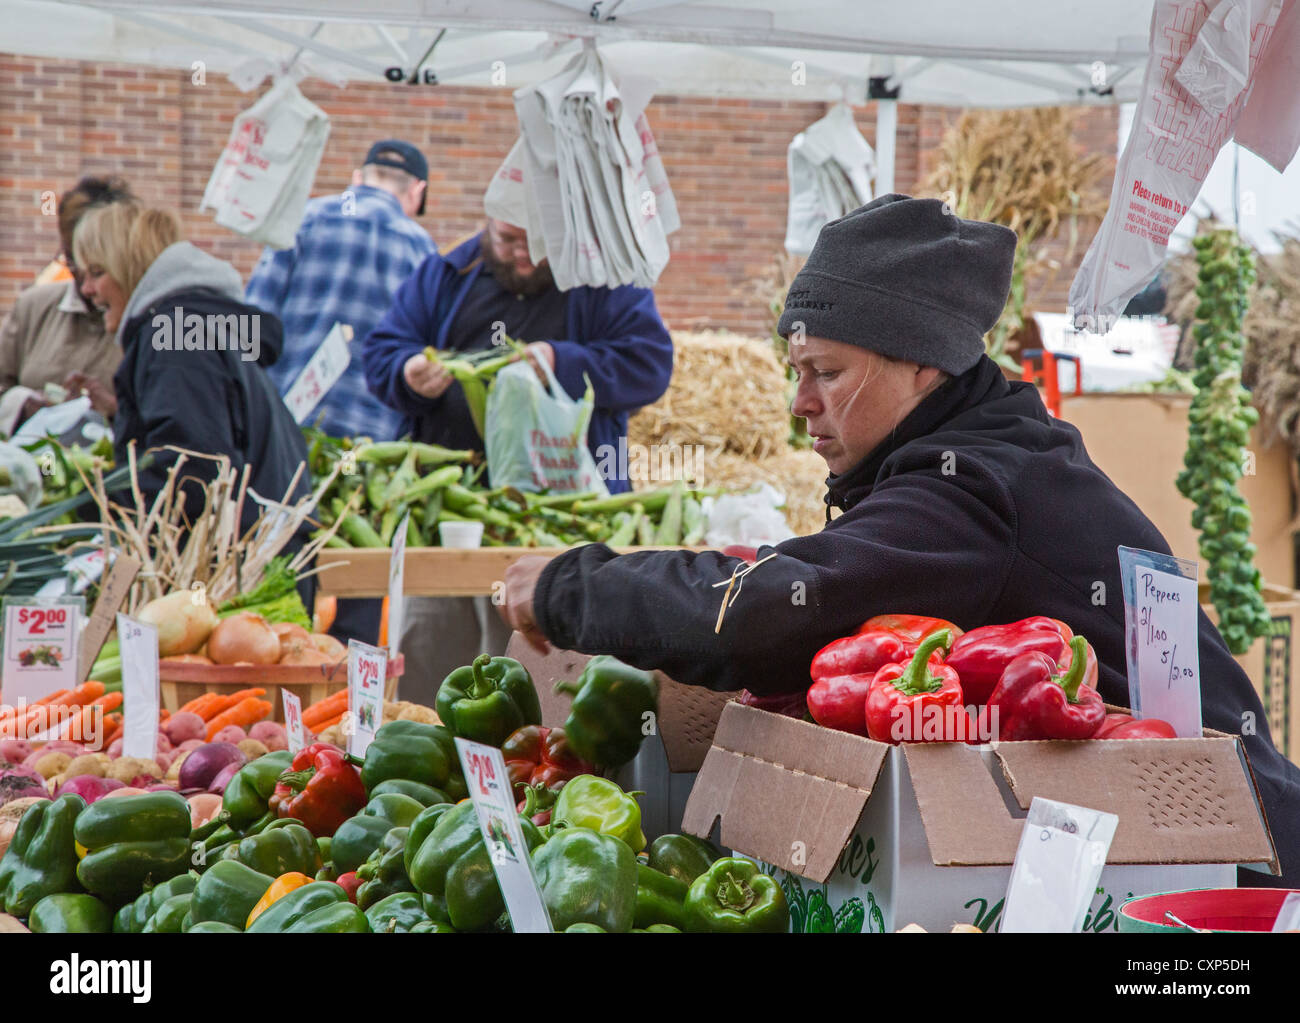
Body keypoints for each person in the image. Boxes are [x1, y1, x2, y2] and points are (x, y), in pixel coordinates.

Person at [499, 193, 1300, 888]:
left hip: (1230, 868)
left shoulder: (973, 489)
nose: (799, 403)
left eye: (826, 372)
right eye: (795, 371)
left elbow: (764, 613)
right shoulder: (987, 451)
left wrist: (570, 587)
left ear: (923, 364)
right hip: (1164, 839)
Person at [363, 213, 673, 699]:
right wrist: (407, 372)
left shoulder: (603, 278)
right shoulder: (447, 274)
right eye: (509, 240)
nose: (523, 256)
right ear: (488, 225)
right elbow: (381, 350)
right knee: (430, 663)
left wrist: (562, 362)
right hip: (445, 517)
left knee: (539, 673)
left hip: (559, 518)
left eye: (540, 242)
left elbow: (650, 365)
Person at [245, 140, 436, 645]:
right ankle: (354, 708)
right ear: (415, 192)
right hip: (370, 455)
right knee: (361, 584)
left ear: (358, 175)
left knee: (279, 586)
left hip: (288, 441)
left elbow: (252, 328)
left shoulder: (302, 221)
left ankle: (281, 690)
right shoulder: (421, 249)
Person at [72, 203, 312, 572]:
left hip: (230, 580)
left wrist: (89, 503)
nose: (86, 289)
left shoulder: (176, 337)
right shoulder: (195, 330)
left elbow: (191, 470)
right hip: (257, 564)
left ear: (130, 268)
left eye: (97, 272)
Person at [0, 176, 137, 435]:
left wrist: (113, 409)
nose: (86, 286)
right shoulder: (34, 308)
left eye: (97, 269)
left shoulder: (148, 322)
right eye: (74, 264)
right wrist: (20, 405)